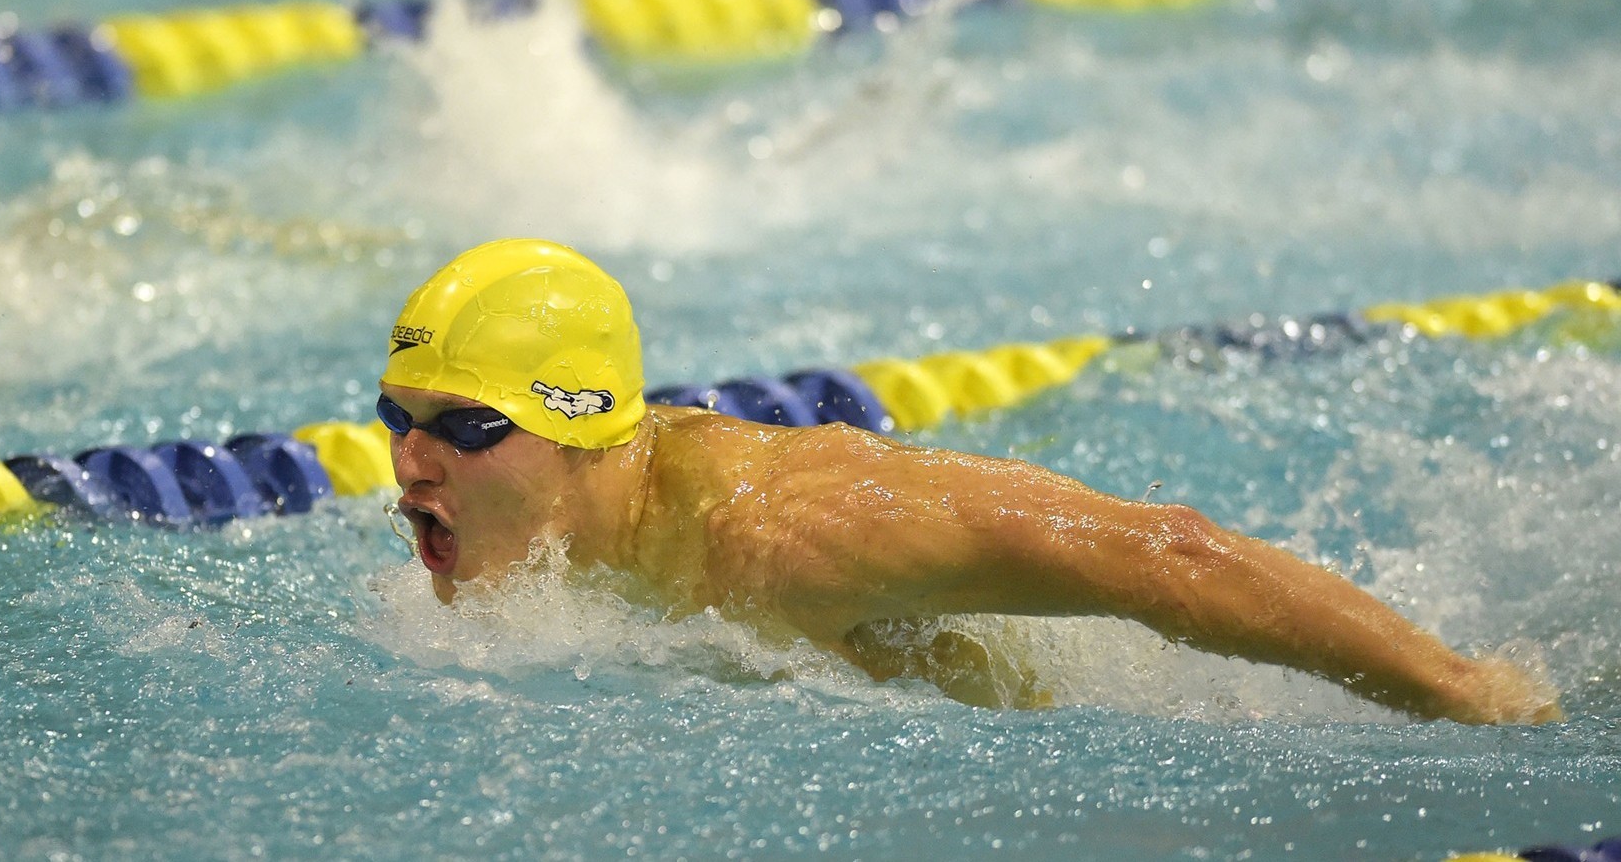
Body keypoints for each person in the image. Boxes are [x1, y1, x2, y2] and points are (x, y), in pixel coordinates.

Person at [378, 238, 1562, 725]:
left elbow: (1162, 549)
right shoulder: (524, 544)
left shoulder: (787, 533)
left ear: (582, 426)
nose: (410, 464)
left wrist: (1464, 692)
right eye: (396, 420)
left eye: (464, 426)